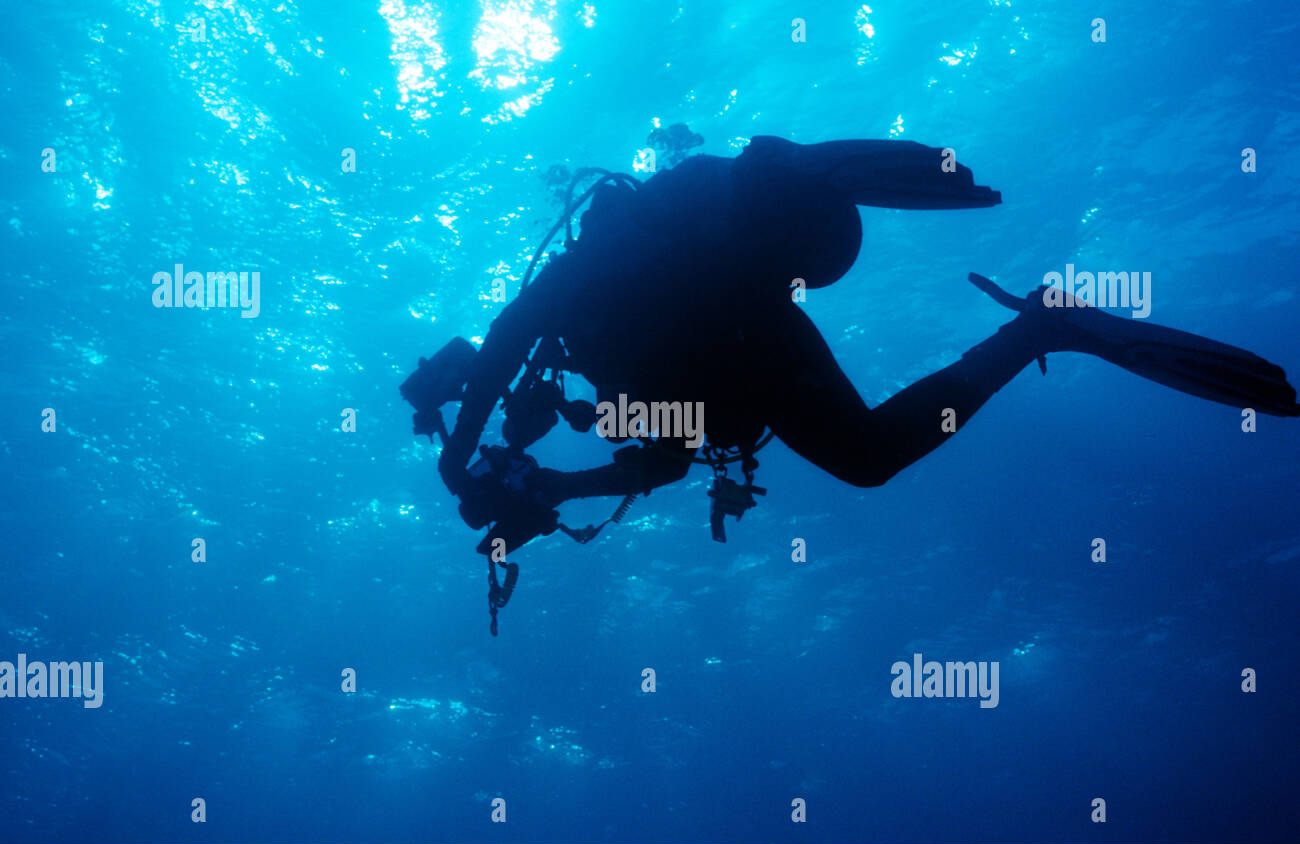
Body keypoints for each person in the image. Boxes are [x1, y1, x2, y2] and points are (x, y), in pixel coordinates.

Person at [402, 136, 1299, 564]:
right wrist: (559, 484)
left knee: (863, 448)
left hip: (739, 297)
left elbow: (516, 327)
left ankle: (790, 173)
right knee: (867, 460)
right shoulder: (597, 375)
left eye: (503, 425)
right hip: (747, 341)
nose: (515, 430)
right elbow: (669, 460)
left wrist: (455, 453)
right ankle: (1043, 327)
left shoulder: (579, 293)